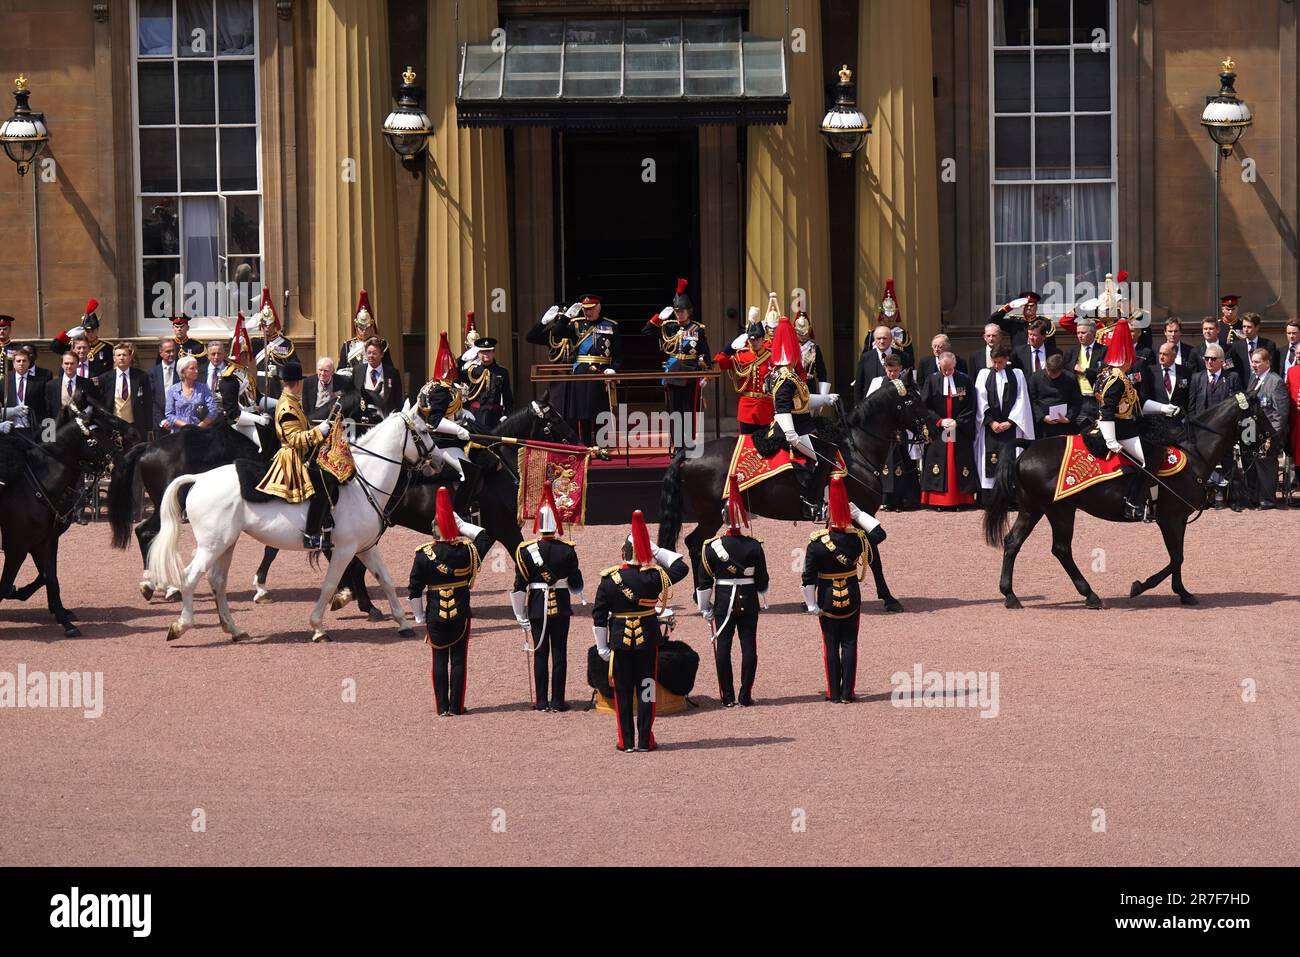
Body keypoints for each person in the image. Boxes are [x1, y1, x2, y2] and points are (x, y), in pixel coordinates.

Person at [591, 510, 689, 753]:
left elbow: (599, 617)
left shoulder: (609, 579)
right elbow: (681, 566)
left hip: (620, 643)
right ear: (644, 551)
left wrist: (602, 647)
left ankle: (626, 741)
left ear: (623, 553)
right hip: (647, 640)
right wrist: (654, 551)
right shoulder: (654, 577)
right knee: (647, 689)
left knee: (623, 693)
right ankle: (645, 740)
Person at [408, 488, 493, 717]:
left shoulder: (423, 554)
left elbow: (414, 590)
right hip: (461, 613)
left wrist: (418, 616)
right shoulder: (467, 552)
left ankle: (441, 707)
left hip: (435, 613)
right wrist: (462, 525)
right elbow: (484, 536)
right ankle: (456, 706)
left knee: (438, 659)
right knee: (458, 660)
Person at [1093, 318, 1181, 521]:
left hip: (1127, 425)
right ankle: (1132, 502)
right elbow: (1106, 410)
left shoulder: (1115, 375)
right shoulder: (1117, 379)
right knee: (1148, 461)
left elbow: (1137, 403)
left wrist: (1163, 408)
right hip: (1121, 430)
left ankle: (1153, 504)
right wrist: (1110, 439)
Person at [509, 481, 585, 713]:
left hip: (536, 606)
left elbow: (519, 586)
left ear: (539, 526)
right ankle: (558, 701)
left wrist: (519, 613)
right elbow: (576, 586)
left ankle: (541, 701)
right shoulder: (567, 549)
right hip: (560, 606)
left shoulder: (525, 551)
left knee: (540, 652)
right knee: (559, 653)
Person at [801, 476, 877, 703]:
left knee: (831, 645)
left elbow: (808, 577)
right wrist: (860, 515)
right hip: (851, 594)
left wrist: (811, 603)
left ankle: (834, 692)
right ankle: (847, 693)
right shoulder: (857, 538)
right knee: (850, 643)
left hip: (826, 597)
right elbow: (880, 534)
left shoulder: (816, 543)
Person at [255, 359, 344, 549]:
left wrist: (320, 431)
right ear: (298, 382)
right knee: (322, 485)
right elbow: (295, 438)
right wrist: (320, 431)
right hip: (292, 458)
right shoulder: (288, 406)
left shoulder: (293, 402)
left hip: (301, 453)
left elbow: (301, 429)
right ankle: (311, 534)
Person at [697, 475, 769, 708]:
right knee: (749, 647)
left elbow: (704, 582)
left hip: (724, 599)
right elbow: (762, 581)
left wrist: (704, 607)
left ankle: (727, 697)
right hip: (748, 599)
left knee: (724, 646)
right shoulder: (754, 545)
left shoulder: (711, 546)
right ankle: (745, 695)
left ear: (723, 519)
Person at [755, 316, 836, 519]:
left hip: (802, 423)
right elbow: (782, 408)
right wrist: (792, 435)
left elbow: (802, 401)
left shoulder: (787, 373)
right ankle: (812, 503)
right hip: (792, 429)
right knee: (823, 458)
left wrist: (825, 399)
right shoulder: (786, 377)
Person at [644, 278, 711, 449]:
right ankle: (677, 445)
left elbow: (705, 352)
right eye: (677, 311)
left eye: (682, 311)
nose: (679, 314)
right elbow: (647, 331)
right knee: (675, 411)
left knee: (688, 410)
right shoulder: (669, 327)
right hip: (674, 372)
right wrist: (659, 318)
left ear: (689, 312)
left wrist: (706, 373)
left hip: (690, 372)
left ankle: (688, 444)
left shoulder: (698, 329)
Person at [919, 352, 977, 509]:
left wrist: (957, 423)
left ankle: (961, 499)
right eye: (943, 369)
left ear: (955, 365)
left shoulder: (965, 380)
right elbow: (925, 406)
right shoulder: (931, 380)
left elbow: (971, 405)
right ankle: (938, 500)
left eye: (949, 370)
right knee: (939, 460)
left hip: (959, 428)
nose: (946, 373)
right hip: (940, 429)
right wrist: (940, 421)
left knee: (960, 460)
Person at [1188, 343, 1243, 510]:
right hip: (1202, 433)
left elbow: (1238, 405)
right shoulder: (1197, 378)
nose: (1209, 362)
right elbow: (1191, 406)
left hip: (1224, 434)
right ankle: (1203, 498)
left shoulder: (1232, 377)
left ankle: (1230, 498)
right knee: (1201, 466)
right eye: (1206, 358)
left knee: (1227, 464)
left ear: (1222, 361)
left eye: (1213, 359)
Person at [974, 346, 1034, 490]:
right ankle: (989, 495)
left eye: (999, 362)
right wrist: (990, 422)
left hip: (1011, 426)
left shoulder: (1017, 374)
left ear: (1006, 359)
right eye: (994, 362)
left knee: (1011, 459)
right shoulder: (984, 374)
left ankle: (1012, 494)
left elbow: (1022, 399)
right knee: (990, 460)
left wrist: (1010, 421)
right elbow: (980, 400)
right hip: (991, 427)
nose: (996, 366)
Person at [562, 295, 620, 446]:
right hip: (581, 371)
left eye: (592, 309)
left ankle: (601, 447)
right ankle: (586, 447)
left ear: (599, 308)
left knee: (601, 411)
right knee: (583, 412)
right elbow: (556, 333)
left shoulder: (611, 325)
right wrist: (565, 318)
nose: (588, 312)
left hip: (601, 370)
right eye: (585, 309)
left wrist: (613, 369)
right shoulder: (575, 325)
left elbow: (618, 354)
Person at [867, 354, 922, 510]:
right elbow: (868, 403)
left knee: (901, 462)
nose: (892, 374)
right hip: (882, 430)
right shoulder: (877, 382)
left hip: (900, 429)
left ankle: (902, 499)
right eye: (890, 370)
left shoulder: (907, 384)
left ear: (901, 369)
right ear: (885, 368)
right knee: (884, 463)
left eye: (896, 371)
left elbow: (914, 404)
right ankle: (884, 498)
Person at [714, 307, 773, 435]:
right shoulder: (741, 356)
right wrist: (730, 347)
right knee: (746, 446)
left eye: (757, 339)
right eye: (752, 339)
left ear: (763, 339)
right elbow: (720, 362)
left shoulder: (771, 356)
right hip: (747, 408)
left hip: (766, 408)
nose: (755, 342)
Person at [1244, 347, 1289, 509]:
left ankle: (1267, 499)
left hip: (1269, 434)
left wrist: (1272, 435)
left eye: (1257, 362)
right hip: (1251, 431)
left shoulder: (1275, 381)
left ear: (1267, 363)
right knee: (1252, 465)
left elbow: (1281, 414)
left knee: (1266, 467)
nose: (1254, 365)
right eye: (1252, 362)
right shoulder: (1253, 378)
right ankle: (1254, 497)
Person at [95, 343, 152, 439]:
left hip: (136, 427)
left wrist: (149, 427)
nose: (121, 358)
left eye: (124, 355)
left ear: (130, 358)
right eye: (118, 355)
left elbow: (148, 402)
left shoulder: (141, 376)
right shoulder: (105, 378)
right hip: (113, 427)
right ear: (114, 359)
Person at [251, 287, 295, 406]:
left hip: (277, 385)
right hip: (260, 384)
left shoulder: (286, 343)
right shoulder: (256, 343)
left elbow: (295, 366)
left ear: (274, 324)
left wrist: (280, 372)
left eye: (269, 325)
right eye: (264, 325)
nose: (266, 328)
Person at [459, 335, 513, 431]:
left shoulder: (502, 372)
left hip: (494, 416)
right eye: (483, 352)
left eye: (489, 351)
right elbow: (455, 375)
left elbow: (507, 397)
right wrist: (462, 360)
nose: (486, 354)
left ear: (493, 353)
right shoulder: (472, 371)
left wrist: (507, 415)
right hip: (475, 415)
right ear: (478, 354)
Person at [50, 299, 113, 379]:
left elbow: (110, 370)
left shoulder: (107, 347)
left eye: (93, 331)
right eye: (88, 331)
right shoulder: (73, 344)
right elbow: (54, 347)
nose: (90, 334)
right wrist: (67, 335)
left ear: (97, 330)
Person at [159, 354, 219, 433]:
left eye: (196, 368)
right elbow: (169, 414)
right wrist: (187, 427)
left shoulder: (203, 388)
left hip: (201, 433)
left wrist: (200, 426)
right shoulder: (173, 390)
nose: (196, 371)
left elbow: (213, 410)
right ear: (183, 371)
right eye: (192, 369)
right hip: (180, 434)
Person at [1028, 353, 1082, 439]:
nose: (1051, 375)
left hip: (1064, 424)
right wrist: (1043, 417)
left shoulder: (1070, 378)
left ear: (1061, 370)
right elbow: (1032, 401)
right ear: (1046, 367)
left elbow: (1077, 401)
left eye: (1055, 373)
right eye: (1049, 372)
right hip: (1042, 425)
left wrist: (1068, 418)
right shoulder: (1035, 378)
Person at [1062, 318, 1106, 423]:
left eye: (1083, 332)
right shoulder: (1071, 351)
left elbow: (1104, 372)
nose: (1080, 336)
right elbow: (1064, 371)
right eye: (1078, 333)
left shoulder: (1103, 350)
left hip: (1095, 399)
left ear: (1093, 333)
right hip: (1077, 399)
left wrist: (1085, 370)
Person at [854, 324, 912, 405]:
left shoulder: (903, 356)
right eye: (879, 338)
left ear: (891, 339)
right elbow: (859, 384)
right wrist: (858, 406)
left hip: (896, 405)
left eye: (884, 338)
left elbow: (909, 381)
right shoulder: (865, 357)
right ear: (874, 339)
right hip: (871, 405)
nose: (881, 341)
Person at [1140, 342, 1191, 428]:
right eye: (1160, 353)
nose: (1161, 357)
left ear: (1174, 356)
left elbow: (1189, 397)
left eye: (1165, 354)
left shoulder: (1185, 371)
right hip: (1157, 423)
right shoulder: (1150, 371)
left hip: (1179, 423)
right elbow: (1144, 397)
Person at [352, 337, 403, 421]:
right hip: (363, 421)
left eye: (374, 353)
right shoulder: (357, 371)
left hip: (385, 422)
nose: (371, 356)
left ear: (382, 355)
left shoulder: (392, 373)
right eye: (369, 353)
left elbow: (398, 401)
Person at [339, 289, 386, 371]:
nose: (364, 331)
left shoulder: (381, 344)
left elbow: (388, 369)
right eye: (361, 328)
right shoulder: (347, 346)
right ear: (356, 327)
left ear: (371, 326)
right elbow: (340, 370)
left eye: (367, 328)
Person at [303, 356, 357, 424]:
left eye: (326, 371)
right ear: (317, 370)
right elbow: (306, 407)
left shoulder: (344, 381)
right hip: (314, 419)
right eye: (320, 370)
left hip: (334, 420)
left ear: (332, 371)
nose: (322, 373)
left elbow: (349, 402)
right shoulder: (308, 382)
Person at [2, 346, 42, 438]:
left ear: (29, 363)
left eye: (24, 361)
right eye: (18, 361)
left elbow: (44, 408)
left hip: (32, 431)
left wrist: (47, 434)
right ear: (13, 363)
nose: (21, 364)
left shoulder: (38, 382)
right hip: (10, 430)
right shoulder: (4, 381)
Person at [45, 351, 99, 416]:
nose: (69, 366)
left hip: (81, 424)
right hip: (59, 424)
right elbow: (48, 409)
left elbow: (92, 405)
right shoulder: (51, 385)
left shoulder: (87, 383)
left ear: (77, 364)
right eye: (66, 363)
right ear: (62, 365)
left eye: (72, 363)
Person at [1231, 313, 1279, 377]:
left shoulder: (1268, 345)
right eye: (1244, 326)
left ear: (1257, 327)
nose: (1246, 330)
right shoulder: (1236, 347)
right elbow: (1233, 369)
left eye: (1249, 327)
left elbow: (1272, 367)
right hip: (1243, 385)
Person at [794, 309, 829, 396]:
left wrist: (822, 396)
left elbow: (822, 372)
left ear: (809, 331)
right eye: (799, 333)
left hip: (809, 386)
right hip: (792, 385)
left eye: (804, 333)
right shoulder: (791, 347)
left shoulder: (814, 348)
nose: (802, 336)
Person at [149, 339, 179, 430]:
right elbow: (151, 399)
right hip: (161, 424)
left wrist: (177, 420)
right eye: (168, 351)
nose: (171, 354)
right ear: (161, 353)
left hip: (180, 422)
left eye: (173, 351)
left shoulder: (182, 370)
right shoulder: (153, 373)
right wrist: (162, 421)